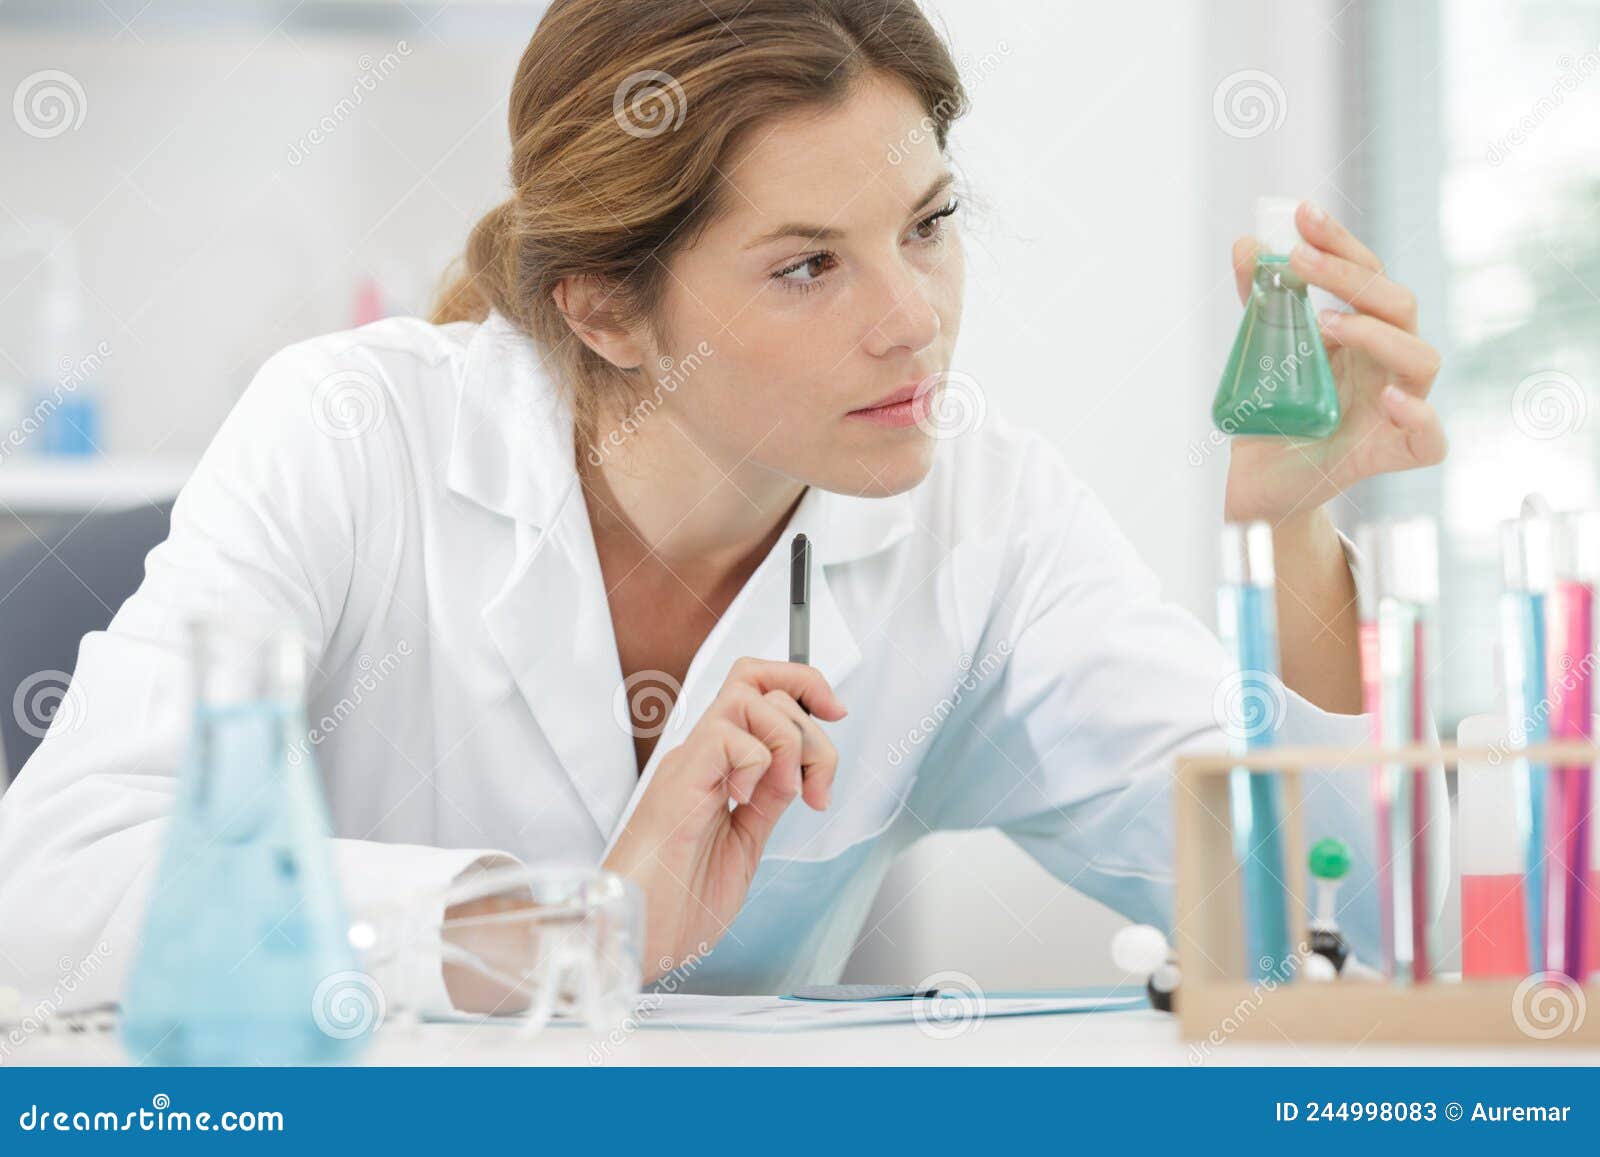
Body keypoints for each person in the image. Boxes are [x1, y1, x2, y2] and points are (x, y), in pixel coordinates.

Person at [0, 0, 1448, 1014]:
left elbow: (1337, 922)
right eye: (808, 265)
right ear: (611, 309)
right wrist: (570, 931)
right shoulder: (349, 433)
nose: (915, 325)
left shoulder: (977, 514)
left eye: (928, 228)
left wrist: (1290, 538)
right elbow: (56, 889)